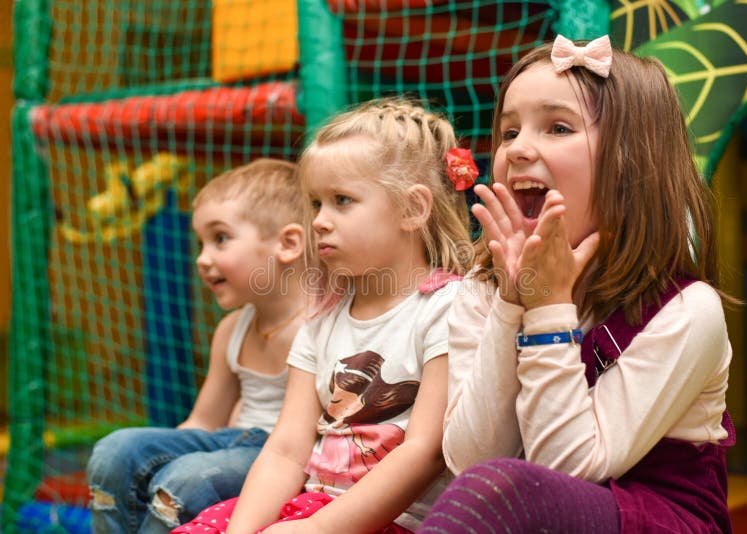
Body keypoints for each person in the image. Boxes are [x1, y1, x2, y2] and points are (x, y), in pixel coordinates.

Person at [419, 35, 735, 533]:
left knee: (506, 490)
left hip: (652, 518)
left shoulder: (687, 310)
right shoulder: (482, 290)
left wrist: (546, 309)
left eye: (558, 127)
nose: (519, 149)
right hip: (527, 507)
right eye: (508, 132)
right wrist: (511, 303)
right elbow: (470, 460)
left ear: (632, 163)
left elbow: (558, 473)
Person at [173, 97, 473, 534]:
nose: (319, 221)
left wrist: (318, 530)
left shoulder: (447, 308)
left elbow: (425, 451)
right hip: (311, 507)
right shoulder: (324, 318)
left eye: (341, 201)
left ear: (412, 209)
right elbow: (286, 449)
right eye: (316, 204)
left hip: (398, 522)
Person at [87, 158, 307, 533]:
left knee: (185, 481)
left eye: (220, 238)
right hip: (230, 440)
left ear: (287, 244)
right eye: (201, 242)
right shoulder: (232, 330)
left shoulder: (322, 325)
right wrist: (160, 456)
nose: (202, 259)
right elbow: (203, 422)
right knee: (113, 452)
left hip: (288, 456)